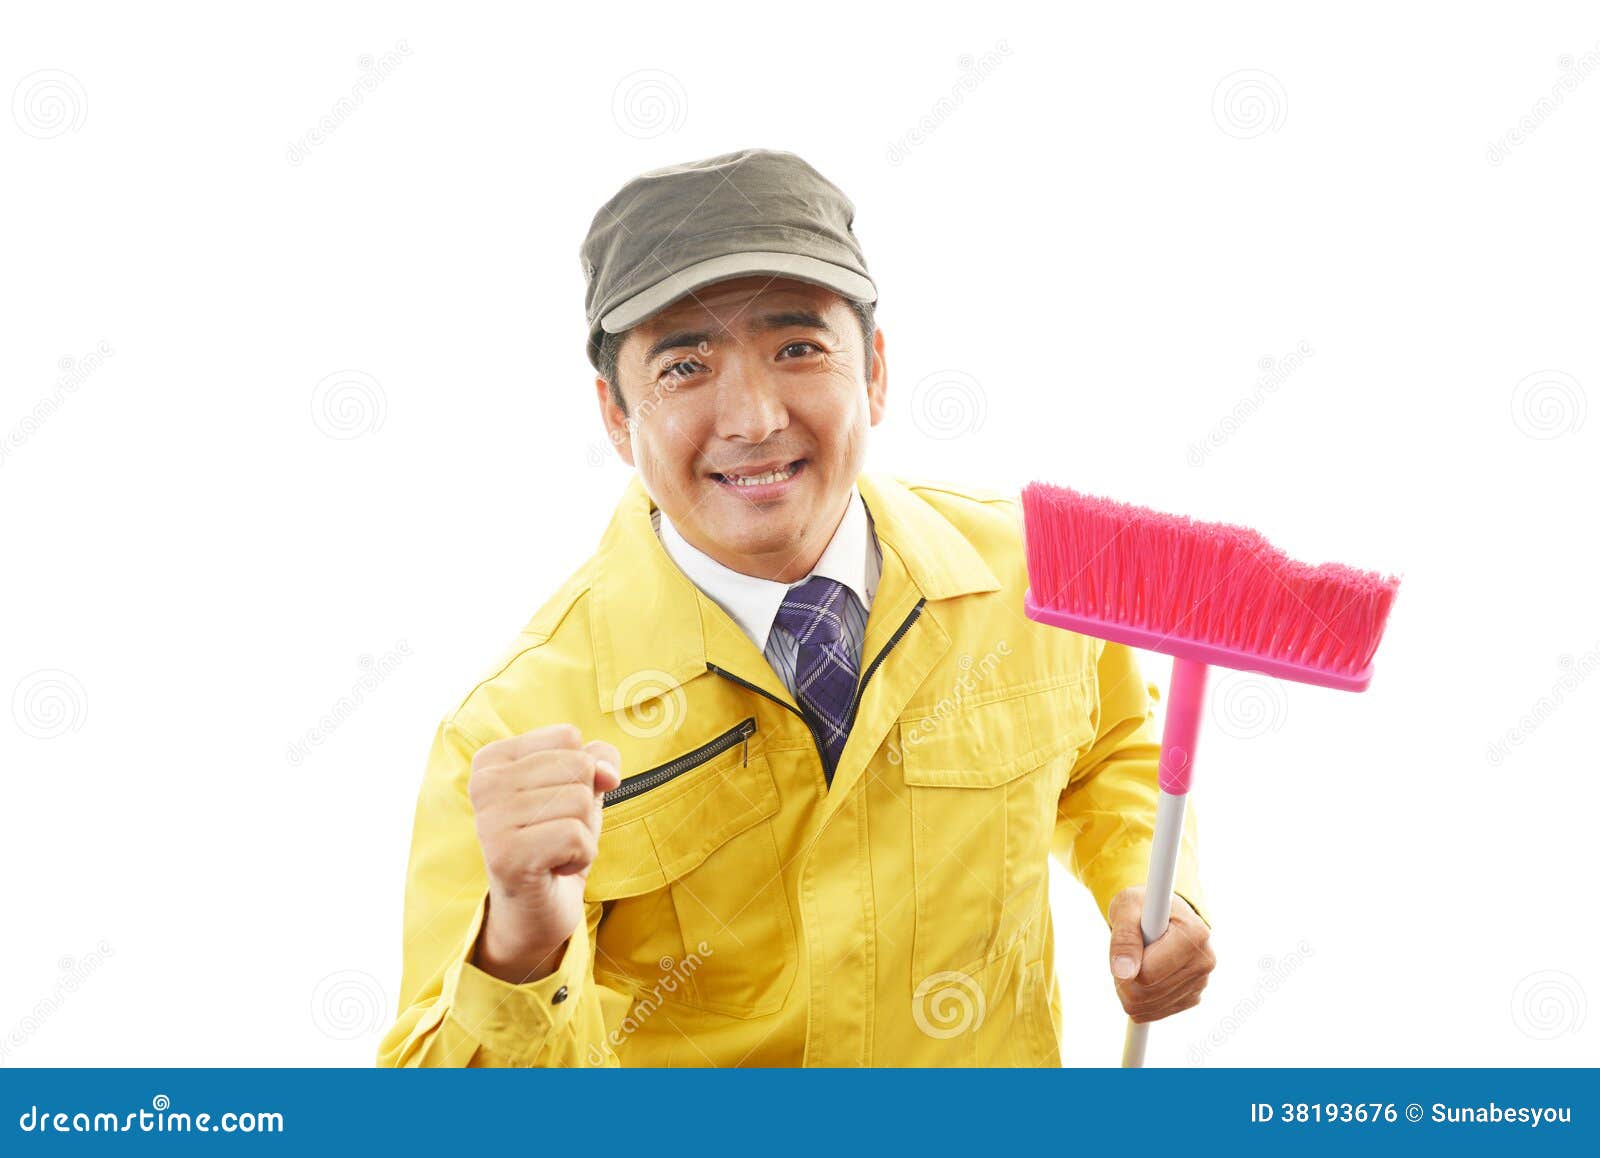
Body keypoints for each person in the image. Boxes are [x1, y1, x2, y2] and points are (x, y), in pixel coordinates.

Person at [378, 148, 1214, 1067]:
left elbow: (1112, 747)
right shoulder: (514, 728)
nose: (754, 419)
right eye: (686, 366)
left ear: (877, 373)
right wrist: (520, 946)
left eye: (798, 348)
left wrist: (1150, 885)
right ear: (617, 417)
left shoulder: (1035, 575)